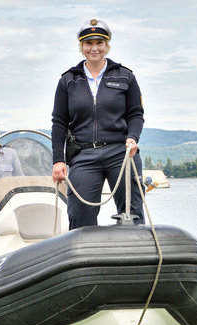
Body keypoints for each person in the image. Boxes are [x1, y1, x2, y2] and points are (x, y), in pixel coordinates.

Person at [51, 18, 145, 229]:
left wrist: (133, 137)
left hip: (121, 153)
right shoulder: (68, 80)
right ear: (82, 47)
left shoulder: (125, 77)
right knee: (79, 215)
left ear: (106, 45)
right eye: (89, 43)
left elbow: (136, 115)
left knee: (132, 214)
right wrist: (58, 160)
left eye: (99, 43)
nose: (94, 48)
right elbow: (58, 123)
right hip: (84, 156)